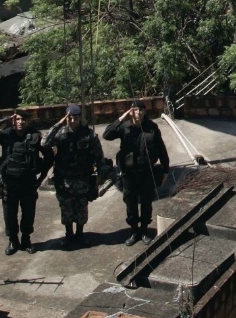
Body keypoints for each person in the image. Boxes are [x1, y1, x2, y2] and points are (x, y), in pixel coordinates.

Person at [0, 111, 52, 255]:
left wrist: (41, 178)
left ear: (27, 121)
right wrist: (2, 121)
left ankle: (26, 240)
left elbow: (49, 157)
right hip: (9, 181)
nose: (20, 122)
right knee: (10, 214)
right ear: (13, 120)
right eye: (17, 119)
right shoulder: (6, 134)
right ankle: (13, 240)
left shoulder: (35, 136)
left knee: (28, 213)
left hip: (28, 182)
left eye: (23, 119)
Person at [103, 100, 170, 246]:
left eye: (140, 110)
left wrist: (166, 169)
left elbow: (161, 148)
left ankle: (144, 231)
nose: (138, 113)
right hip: (128, 174)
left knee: (146, 203)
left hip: (147, 172)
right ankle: (134, 231)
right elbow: (107, 134)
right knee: (131, 204)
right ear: (130, 112)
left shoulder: (152, 128)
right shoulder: (124, 127)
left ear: (144, 112)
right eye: (134, 110)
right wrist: (122, 117)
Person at [43, 104, 103, 249]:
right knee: (66, 209)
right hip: (64, 179)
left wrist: (97, 180)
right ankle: (69, 235)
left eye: (75, 118)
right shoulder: (61, 133)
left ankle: (80, 235)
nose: (73, 121)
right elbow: (44, 142)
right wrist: (59, 123)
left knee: (81, 208)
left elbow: (99, 157)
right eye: (70, 118)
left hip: (82, 178)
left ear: (79, 118)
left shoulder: (88, 134)